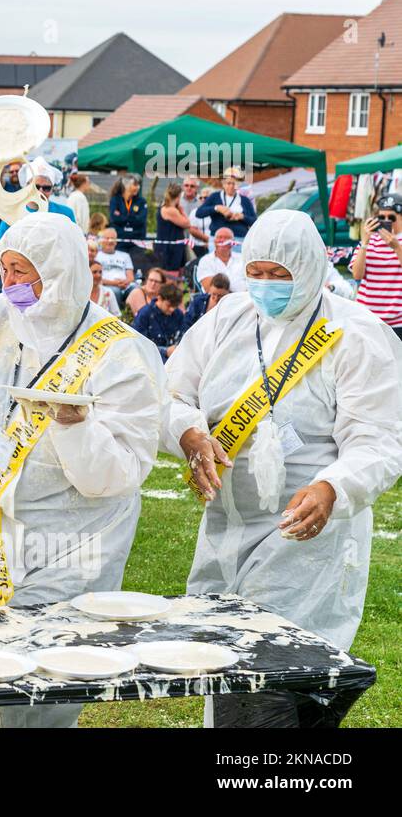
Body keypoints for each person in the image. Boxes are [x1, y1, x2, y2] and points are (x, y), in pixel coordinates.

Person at [165, 209, 402, 727]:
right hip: (227, 525)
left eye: (281, 275)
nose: (268, 286)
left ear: (312, 269)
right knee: (226, 664)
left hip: (304, 534)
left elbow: (379, 438)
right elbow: (171, 390)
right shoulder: (229, 318)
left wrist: (335, 486)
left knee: (271, 671)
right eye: (260, 273)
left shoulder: (355, 334)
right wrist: (187, 432)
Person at [0, 211, 166, 727]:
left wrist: (77, 426)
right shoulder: (0, 327)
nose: (8, 284)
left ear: (59, 272)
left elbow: (120, 473)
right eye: (5, 270)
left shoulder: (123, 352)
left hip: (66, 545)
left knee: (44, 682)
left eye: (22, 272)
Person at [350, 194, 402, 340]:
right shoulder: (369, 241)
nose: (386, 222)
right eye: (381, 218)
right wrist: (365, 242)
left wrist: (397, 247)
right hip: (367, 318)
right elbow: (357, 275)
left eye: (391, 218)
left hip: (398, 322)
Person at [196, 167, 256, 243]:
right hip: (218, 238)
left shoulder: (245, 200)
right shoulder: (215, 197)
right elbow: (199, 213)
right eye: (228, 183)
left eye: (234, 183)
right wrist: (217, 208)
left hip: (238, 239)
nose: (231, 186)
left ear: (238, 184)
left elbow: (254, 221)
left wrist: (242, 217)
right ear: (223, 183)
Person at [131, 281, 185, 360]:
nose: (172, 309)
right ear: (159, 298)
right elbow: (138, 344)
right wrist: (164, 351)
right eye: (169, 305)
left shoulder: (178, 314)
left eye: (175, 306)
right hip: (149, 359)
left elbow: (182, 336)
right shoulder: (144, 314)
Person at [108, 175, 150, 271]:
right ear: (126, 186)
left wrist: (123, 217)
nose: (137, 187)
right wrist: (133, 217)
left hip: (137, 243)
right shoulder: (115, 200)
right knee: (119, 269)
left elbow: (141, 220)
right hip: (120, 242)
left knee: (137, 269)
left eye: (138, 185)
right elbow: (114, 219)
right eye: (134, 185)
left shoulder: (141, 201)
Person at [155, 183, 192, 274]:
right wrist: (182, 211)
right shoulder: (170, 210)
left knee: (178, 275)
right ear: (179, 195)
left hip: (173, 247)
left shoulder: (166, 208)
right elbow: (187, 224)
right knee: (171, 275)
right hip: (170, 249)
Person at [196, 227, 247, 292]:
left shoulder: (242, 258)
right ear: (214, 241)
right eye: (219, 237)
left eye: (227, 238)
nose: (223, 240)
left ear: (233, 241)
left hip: (243, 298)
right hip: (218, 299)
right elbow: (208, 287)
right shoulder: (205, 260)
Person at [95, 227, 136, 300]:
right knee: (114, 291)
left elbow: (131, 277)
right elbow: (96, 277)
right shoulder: (96, 256)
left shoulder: (125, 256)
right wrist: (114, 283)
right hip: (107, 286)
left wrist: (124, 282)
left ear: (116, 241)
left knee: (136, 289)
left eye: (112, 238)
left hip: (125, 285)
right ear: (102, 241)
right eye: (107, 238)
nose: (110, 241)